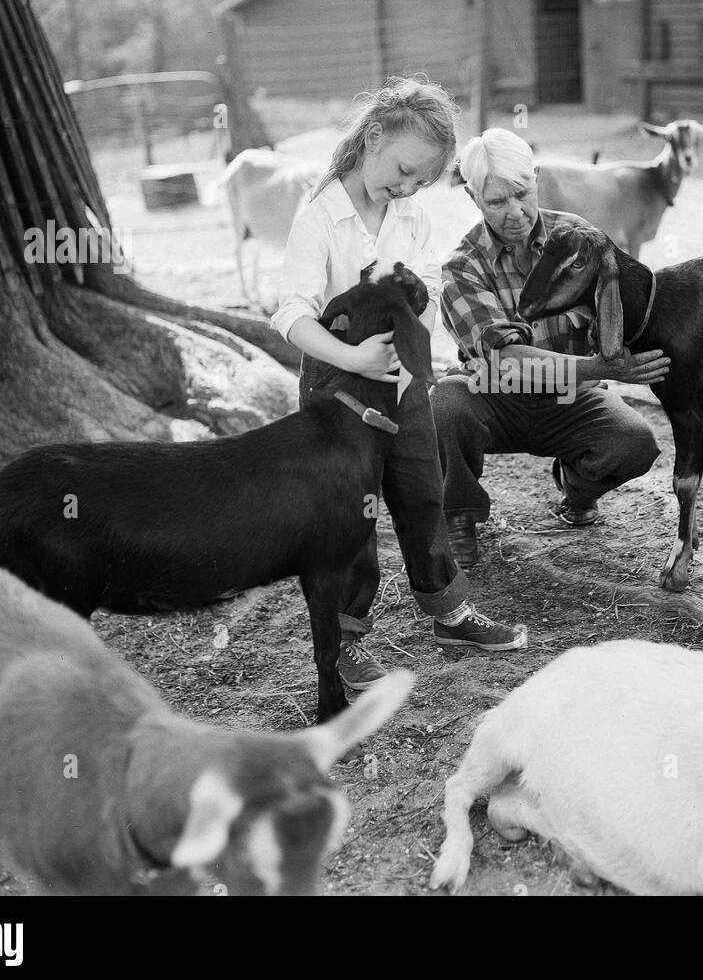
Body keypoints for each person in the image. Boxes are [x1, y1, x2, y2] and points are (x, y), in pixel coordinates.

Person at [272, 78, 526, 693]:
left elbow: (431, 288)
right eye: (405, 171)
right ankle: (343, 636)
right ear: (373, 136)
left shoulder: (409, 215)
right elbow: (290, 314)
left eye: (422, 181)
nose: (409, 187)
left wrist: (418, 329)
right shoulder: (321, 216)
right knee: (350, 516)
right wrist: (352, 357)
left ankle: (448, 609)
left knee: (420, 491)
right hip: (340, 386)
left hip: (404, 381)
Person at [434, 128, 669, 565]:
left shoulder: (579, 236)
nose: (515, 212)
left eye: (522, 193)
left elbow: (624, 311)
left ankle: (575, 489)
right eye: (496, 202)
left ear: (537, 178)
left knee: (635, 442)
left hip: (571, 398)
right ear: (472, 198)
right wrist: (603, 369)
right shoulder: (460, 267)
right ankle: (459, 516)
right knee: (446, 404)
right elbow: (507, 361)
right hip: (495, 398)